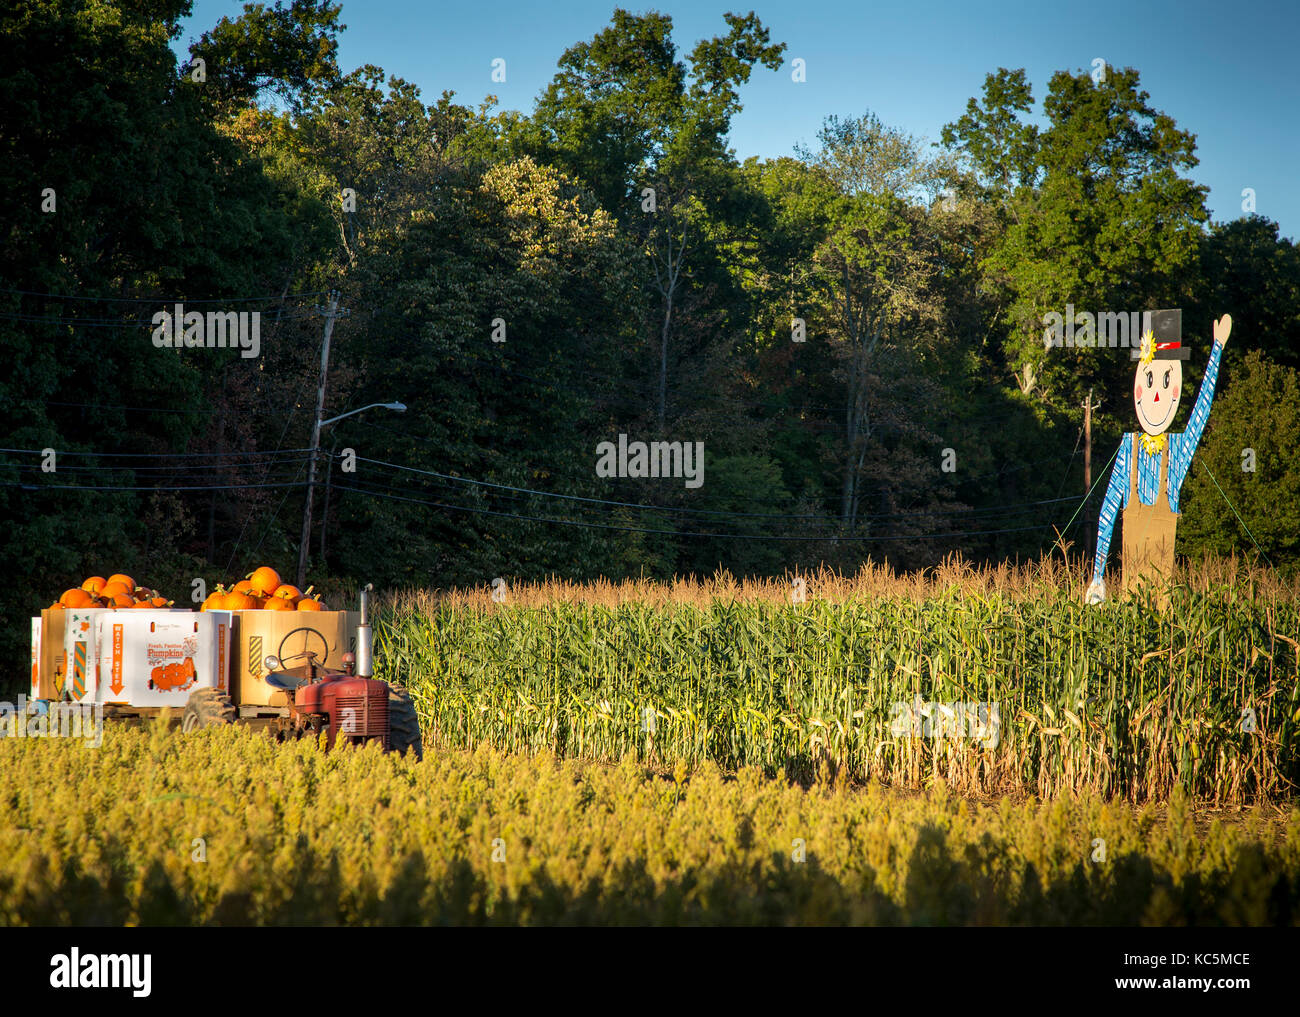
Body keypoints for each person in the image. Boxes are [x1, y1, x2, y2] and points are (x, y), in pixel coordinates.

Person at [1086, 312, 1231, 604]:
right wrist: (1097, 574)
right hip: (1130, 593)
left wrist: (1216, 352)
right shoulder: (1129, 448)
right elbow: (1107, 512)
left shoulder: (1178, 449)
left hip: (1161, 596)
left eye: (1165, 382)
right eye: (1149, 381)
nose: (1155, 397)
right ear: (1138, 386)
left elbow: (1200, 413)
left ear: (1175, 389)